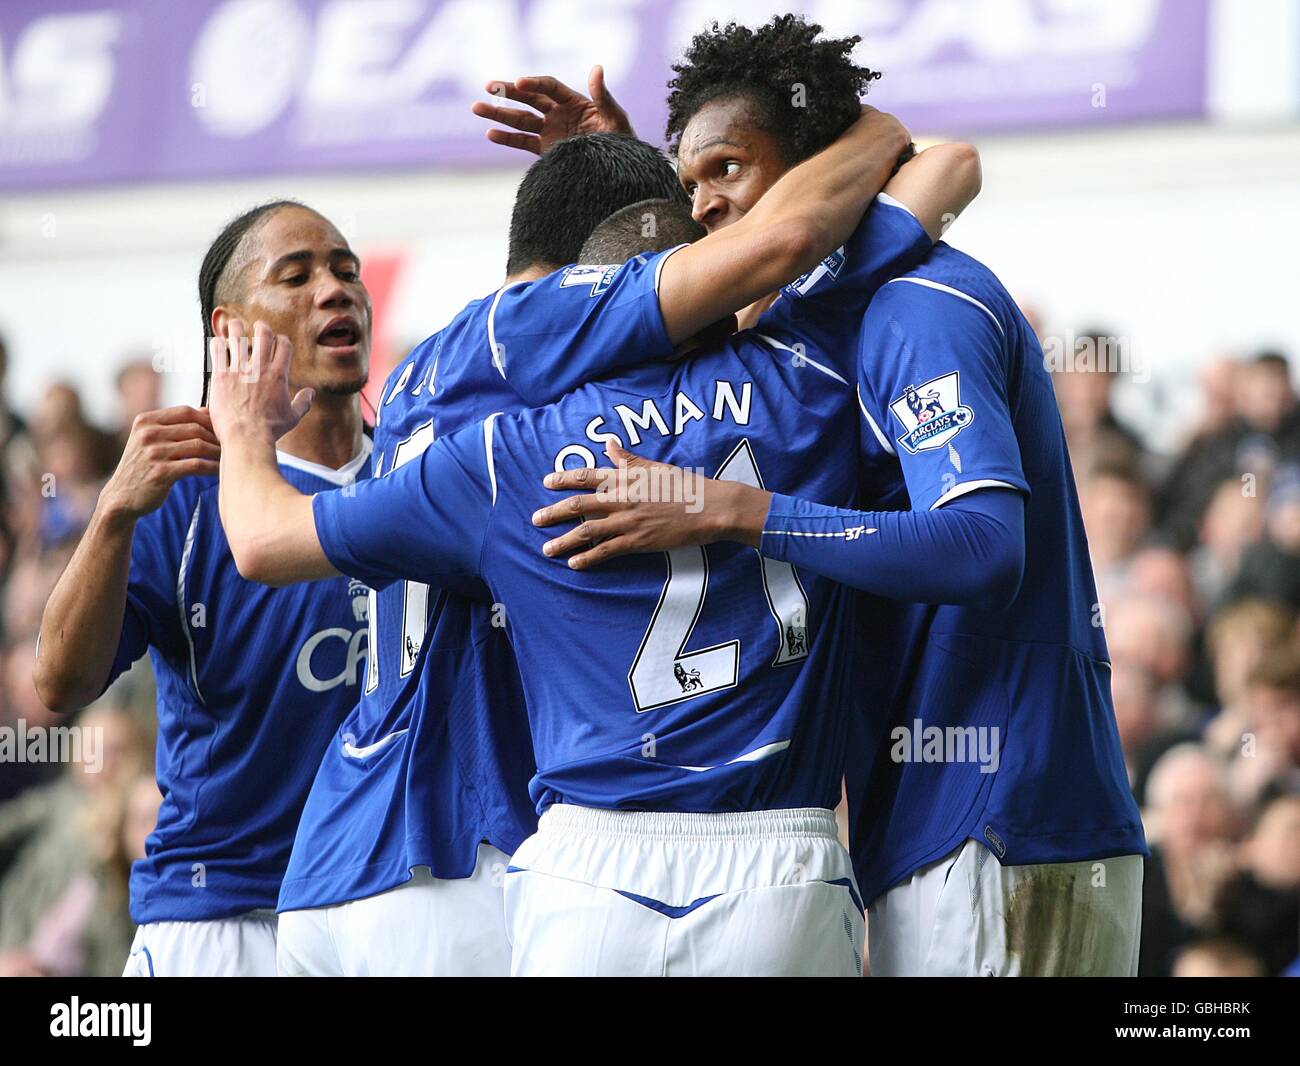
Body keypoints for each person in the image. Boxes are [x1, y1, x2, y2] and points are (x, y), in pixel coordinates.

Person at [208, 102, 981, 974]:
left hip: (378, 853)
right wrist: (873, 130)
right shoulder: (784, 368)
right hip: (488, 840)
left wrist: (242, 429)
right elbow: (873, 202)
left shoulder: (460, 405)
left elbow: (267, 543)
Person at [522, 14, 1147, 976]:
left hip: (1001, 814)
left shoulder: (918, 307)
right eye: (687, 187)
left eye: (726, 171)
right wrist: (625, 176)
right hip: (934, 819)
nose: (702, 209)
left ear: (814, 164)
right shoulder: (824, 311)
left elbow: (983, 545)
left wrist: (738, 513)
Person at [32, 200, 374, 976]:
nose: (334, 290)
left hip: (384, 905)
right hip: (225, 919)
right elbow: (59, 681)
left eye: (346, 271)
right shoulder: (178, 497)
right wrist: (113, 514)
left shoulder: (413, 476)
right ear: (229, 332)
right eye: (298, 276)